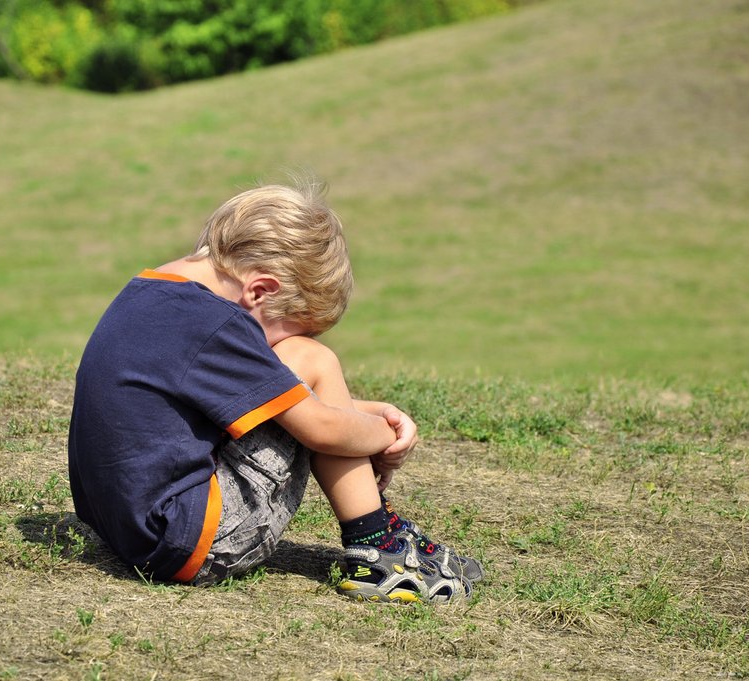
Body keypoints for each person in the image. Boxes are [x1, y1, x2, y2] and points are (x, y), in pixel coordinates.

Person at [68, 179, 483, 603]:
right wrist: (385, 435)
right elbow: (320, 427)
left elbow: (244, 396)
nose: (271, 351)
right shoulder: (220, 326)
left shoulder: (156, 293)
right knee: (312, 358)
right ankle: (377, 544)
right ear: (261, 291)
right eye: (278, 335)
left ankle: (383, 534)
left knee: (305, 374)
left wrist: (368, 411)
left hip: (127, 532)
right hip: (194, 540)